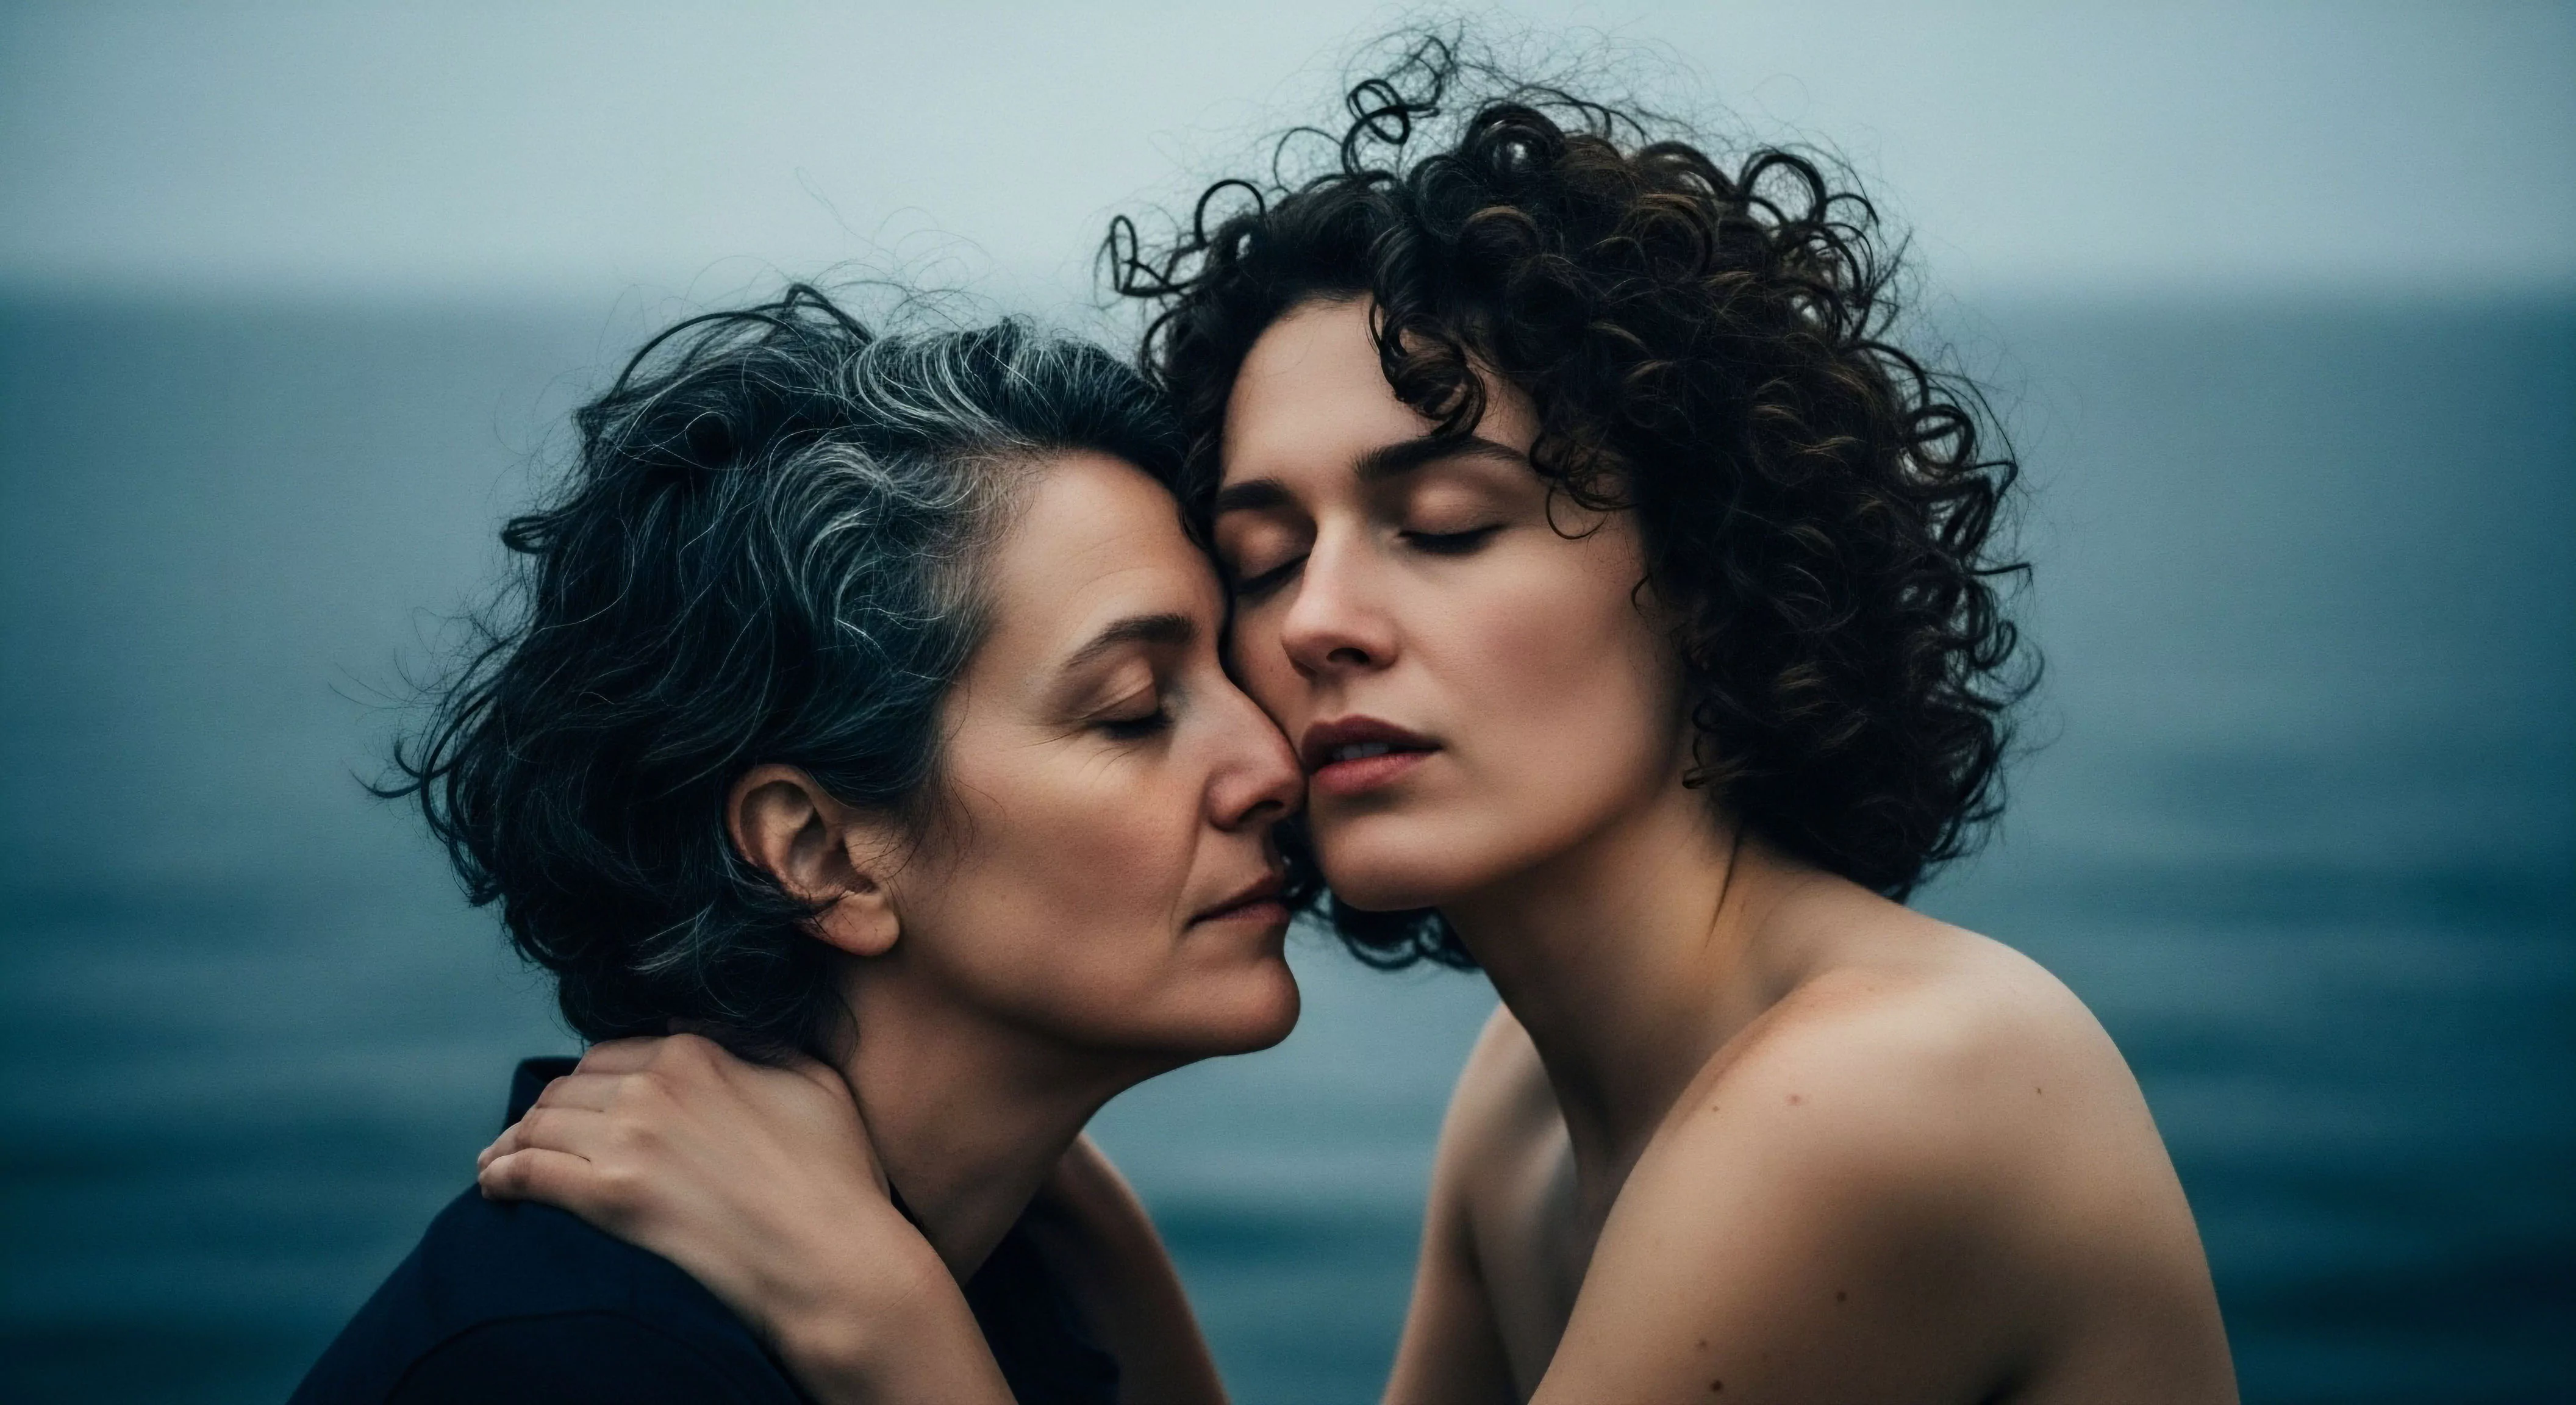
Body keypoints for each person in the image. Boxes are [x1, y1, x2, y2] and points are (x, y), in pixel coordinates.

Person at [485, 40, 2239, 1404]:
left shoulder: (1869, 1098)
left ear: (1708, 566)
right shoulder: (1532, 1105)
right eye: (1260, 555)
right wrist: (1066, 1220)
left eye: (1447, 525)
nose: (1315, 622)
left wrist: (882, 1324)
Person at [292, 287, 1298, 1405]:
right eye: (1132, 707)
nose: (1274, 764)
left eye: (1235, 675)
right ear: (820, 852)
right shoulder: (575, 1370)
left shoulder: (1000, 1276)